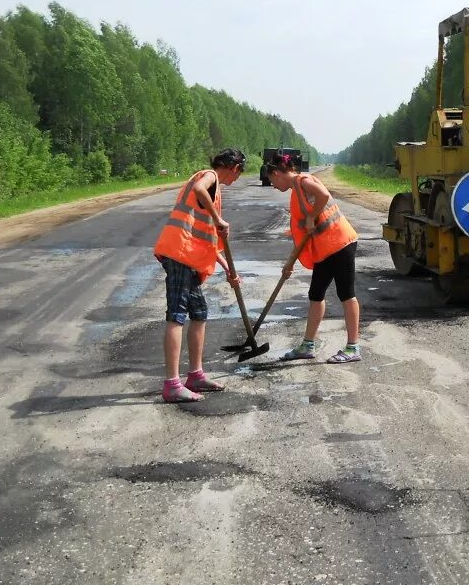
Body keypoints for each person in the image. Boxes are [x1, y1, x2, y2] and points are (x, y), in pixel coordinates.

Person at [153, 148, 246, 403]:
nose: (235, 179)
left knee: (199, 312)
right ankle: (172, 384)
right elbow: (198, 189)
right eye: (238, 174)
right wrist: (218, 219)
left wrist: (229, 270)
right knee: (177, 314)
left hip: (188, 257)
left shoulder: (214, 193)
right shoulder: (210, 177)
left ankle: (195, 375)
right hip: (179, 253)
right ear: (234, 168)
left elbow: (208, 242)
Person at [264, 155, 362, 364]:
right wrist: (291, 261)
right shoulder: (295, 190)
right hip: (325, 248)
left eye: (272, 181)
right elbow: (302, 230)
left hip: (340, 243)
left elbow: (324, 195)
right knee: (315, 294)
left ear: (277, 173)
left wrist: (311, 217)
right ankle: (308, 345)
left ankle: (353, 347)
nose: (274, 186)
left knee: (346, 293)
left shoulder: (303, 181)